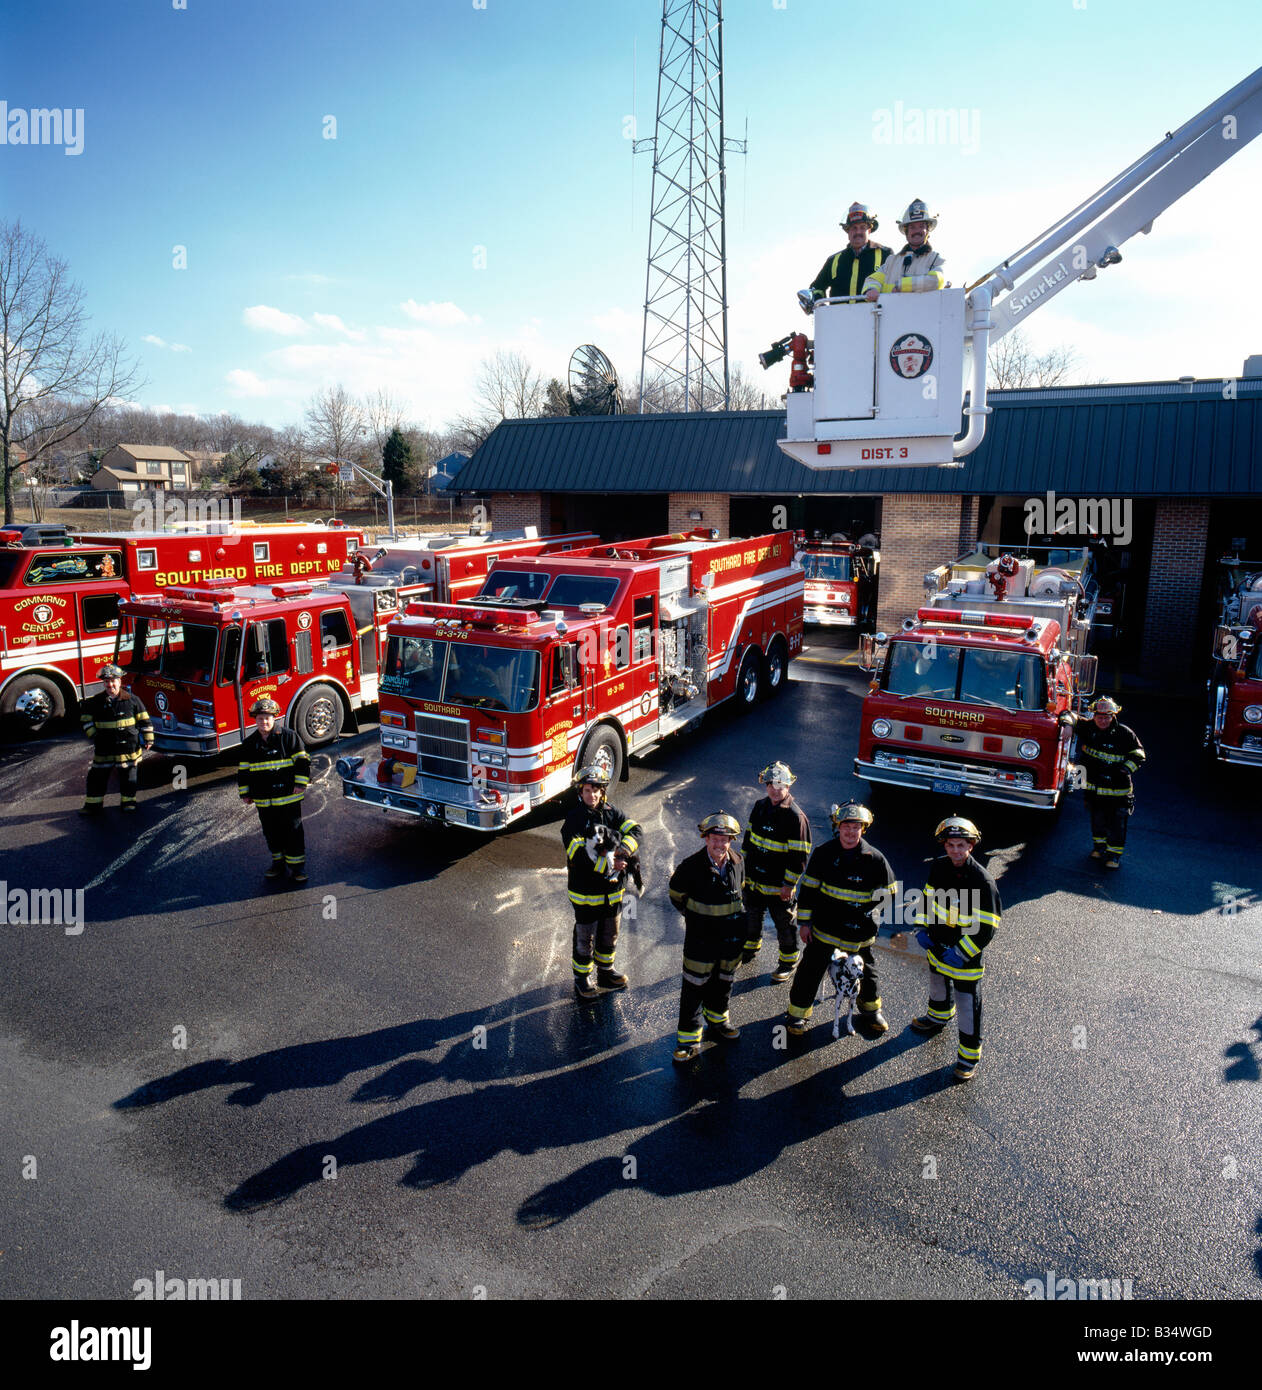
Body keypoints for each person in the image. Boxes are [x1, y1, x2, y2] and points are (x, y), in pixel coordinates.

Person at [785, 800, 896, 1037]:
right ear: (838, 826)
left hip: (860, 932)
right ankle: (798, 1014)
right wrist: (804, 923)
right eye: (846, 826)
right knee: (810, 970)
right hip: (826, 928)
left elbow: (890, 892)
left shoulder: (875, 859)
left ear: (863, 829)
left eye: (856, 827)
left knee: (868, 972)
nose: (850, 831)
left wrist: (871, 914)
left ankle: (869, 1010)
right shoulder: (824, 854)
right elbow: (809, 891)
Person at [910, 816, 1001, 1082]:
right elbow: (926, 899)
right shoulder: (939, 867)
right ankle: (937, 1017)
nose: (955, 851)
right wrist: (920, 927)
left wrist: (961, 952)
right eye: (950, 845)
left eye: (961, 845)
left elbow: (988, 927)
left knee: (967, 1003)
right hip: (938, 945)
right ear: (944, 845)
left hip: (964, 956)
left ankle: (968, 1057)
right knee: (937, 983)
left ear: (971, 846)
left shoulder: (982, 881)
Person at [668, 812, 746, 1063]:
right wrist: (695, 918)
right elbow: (676, 895)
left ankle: (718, 1020)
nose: (719, 844)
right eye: (715, 838)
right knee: (694, 988)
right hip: (700, 941)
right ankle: (688, 1040)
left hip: (729, 940)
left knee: (724, 982)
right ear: (706, 838)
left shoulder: (738, 861)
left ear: (731, 841)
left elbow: (740, 897)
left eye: (725, 839)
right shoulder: (690, 867)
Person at [560, 764, 641, 1001]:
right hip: (586, 893)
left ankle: (606, 972)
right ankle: (582, 979)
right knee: (585, 936)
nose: (591, 795)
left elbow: (635, 830)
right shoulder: (574, 819)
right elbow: (578, 856)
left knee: (610, 933)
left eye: (596, 790)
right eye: (587, 790)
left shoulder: (612, 812)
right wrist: (610, 865)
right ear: (580, 792)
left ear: (602, 791)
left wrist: (624, 851)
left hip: (612, 892)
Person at [740, 761, 812, 982]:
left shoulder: (795, 816)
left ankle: (788, 961)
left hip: (779, 886)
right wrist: (743, 872)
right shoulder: (759, 806)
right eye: (771, 783)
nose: (774, 789)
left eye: (780, 784)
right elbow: (748, 841)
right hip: (755, 879)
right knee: (752, 916)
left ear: (788, 786)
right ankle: (750, 948)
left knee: (784, 924)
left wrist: (789, 885)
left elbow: (799, 856)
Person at [237, 698, 310, 883]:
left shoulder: (289, 736)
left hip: (288, 798)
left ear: (274, 718)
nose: (264, 722)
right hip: (264, 800)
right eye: (260, 718)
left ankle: (297, 868)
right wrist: (245, 793)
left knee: (293, 832)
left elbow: (302, 761)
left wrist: (300, 784)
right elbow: (243, 770)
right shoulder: (249, 744)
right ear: (255, 720)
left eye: (268, 718)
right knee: (271, 833)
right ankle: (278, 863)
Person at [1074, 696, 1145, 869]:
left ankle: (1114, 856)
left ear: (1113, 716)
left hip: (1118, 792)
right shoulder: (1088, 728)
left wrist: (1125, 769)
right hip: (1094, 789)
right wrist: (1068, 726)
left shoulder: (1124, 733)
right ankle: (1099, 848)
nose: (1103, 721)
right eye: (1099, 717)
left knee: (1116, 825)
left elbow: (1139, 754)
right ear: (1093, 716)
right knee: (1097, 820)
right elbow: (1067, 715)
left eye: (1107, 717)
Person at [79, 663, 153, 814]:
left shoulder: (133, 700)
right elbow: (85, 719)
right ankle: (93, 805)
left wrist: (148, 739)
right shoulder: (95, 702)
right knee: (97, 777)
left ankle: (128, 802)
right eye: (106, 681)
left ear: (120, 681)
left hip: (128, 749)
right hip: (104, 748)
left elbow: (144, 720)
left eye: (113, 681)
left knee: (128, 777)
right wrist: (93, 734)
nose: (110, 684)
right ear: (103, 683)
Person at [799, 203, 891, 313]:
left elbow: (893, 285)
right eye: (854, 228)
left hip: (874, 320)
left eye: (862, 227)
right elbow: (817, 288)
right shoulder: (834, 260)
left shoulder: (886, 254)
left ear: (869, 230)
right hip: (839, 322)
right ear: (847, 231)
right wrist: (820, 303)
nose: (858, 232)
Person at [863, 199, 945, 300]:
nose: (917, 231)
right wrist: (871, 289)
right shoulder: (891, 261)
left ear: (928, 230)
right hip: (891, 314)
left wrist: (902, 286)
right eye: (912, 227)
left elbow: (936, 280)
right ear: (906, 232)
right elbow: (872, 280)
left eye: (921, 226)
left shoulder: (936, 259)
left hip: (923, 314)